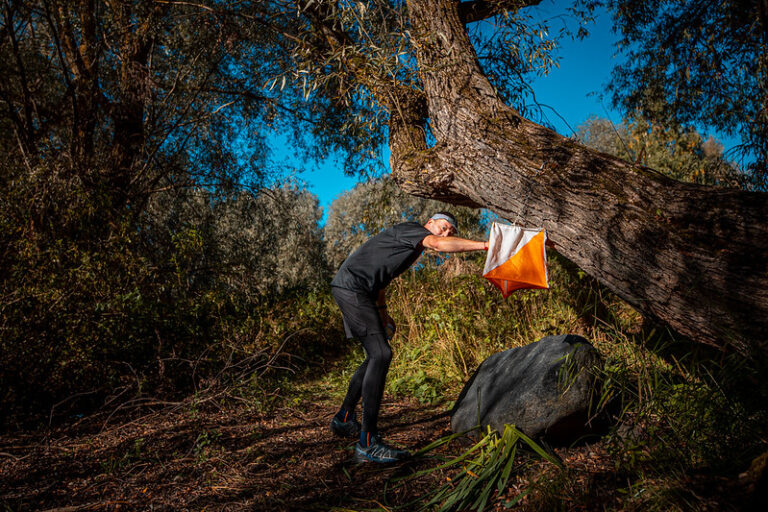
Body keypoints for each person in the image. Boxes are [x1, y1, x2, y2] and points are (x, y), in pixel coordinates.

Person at [329, 212, 488, 463]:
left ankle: (344, 419)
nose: (445, 234)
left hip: (358, 289)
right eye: (444, 227)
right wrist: (485, 245)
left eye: (450, 232)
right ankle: (367, 444)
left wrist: (383, 313)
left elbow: (381, 279)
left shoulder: (410, 248)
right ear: (430, 223)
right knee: (381, 354)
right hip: (353, 288)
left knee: (376, 354)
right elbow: (437, 244)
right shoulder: (413, 230)